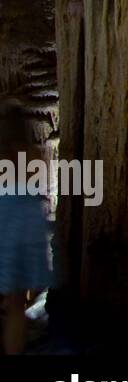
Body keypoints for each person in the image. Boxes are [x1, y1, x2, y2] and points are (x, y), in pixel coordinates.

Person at [0, 99, 54, 354]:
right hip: (26, 230)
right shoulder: (32, 155)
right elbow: (37, 190)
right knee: (17, 303)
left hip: (6, 227)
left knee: (12, 304)